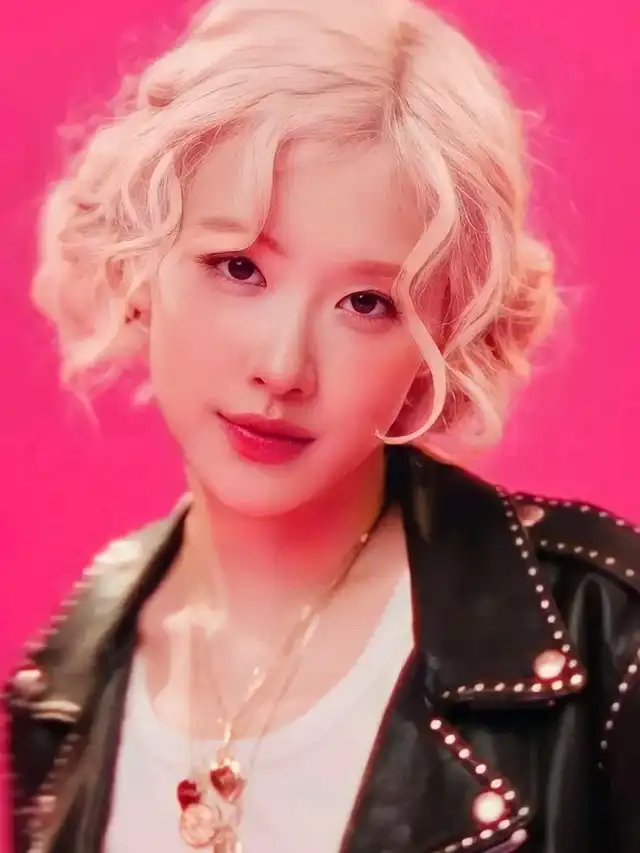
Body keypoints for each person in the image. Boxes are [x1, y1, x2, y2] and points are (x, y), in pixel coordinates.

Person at [4, 0, 640, 851]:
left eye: (366, 302)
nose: (284, 367)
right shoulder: (65, 685)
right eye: (239, 267)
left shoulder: (605, 635)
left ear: (439, 337)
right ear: (140, 262)